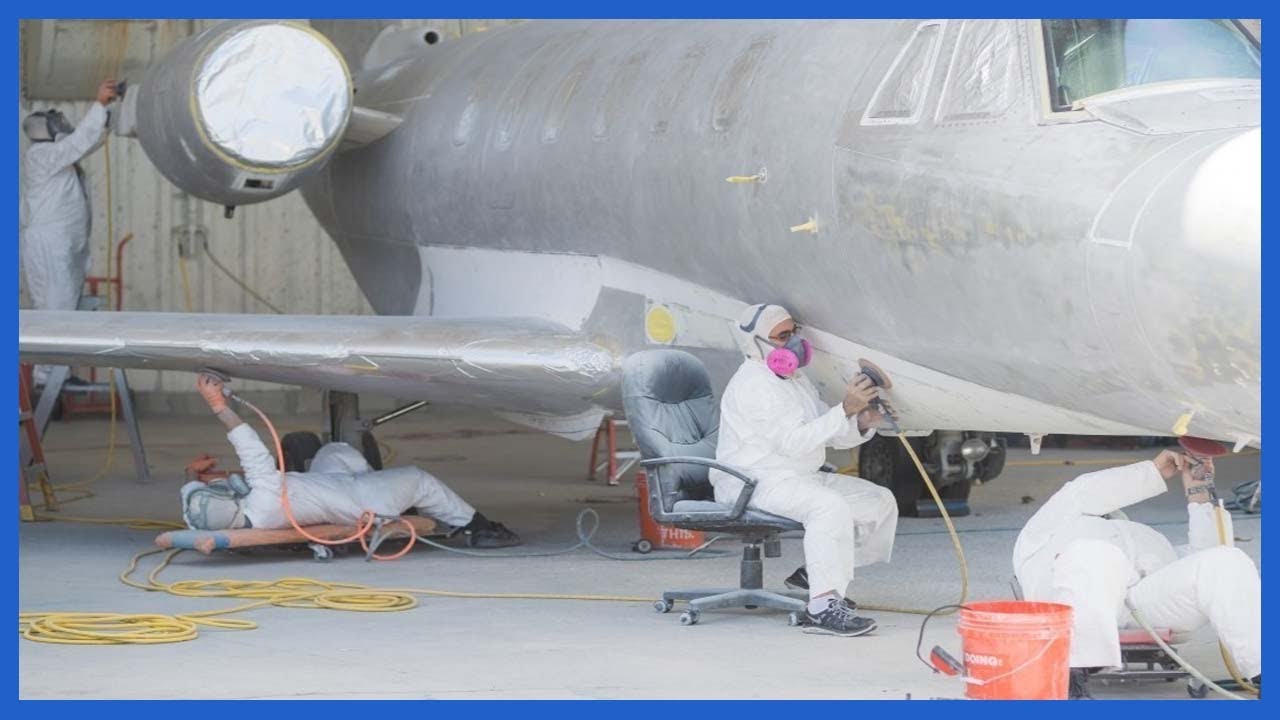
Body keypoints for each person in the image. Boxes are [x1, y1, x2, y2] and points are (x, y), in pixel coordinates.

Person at [711, 303, 898, 637]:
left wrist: (860, 421)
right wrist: (844, 408)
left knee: (879, 502)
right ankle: (822, 607)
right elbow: (795, 442)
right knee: (827, 508)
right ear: (757, 344)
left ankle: (815, 576)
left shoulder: (794, 379)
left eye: (794, 332)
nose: (794, 342)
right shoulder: (755, 385)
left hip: (797, 475)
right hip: (755, 481)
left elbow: (827, 431)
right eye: (782, 336)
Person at [1013, 449, 1261, 699]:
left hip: (1146, 605)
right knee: (1095, 553)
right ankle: (1073, 682)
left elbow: (1207, 560)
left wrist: (1199, 494)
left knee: (1226, 559)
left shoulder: (1145, 535)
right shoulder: (1045, 532)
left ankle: (1264, 672)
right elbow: (1081, 492)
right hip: (1078, 608)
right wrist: (1152, 471)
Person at [181, 373, 521, 548]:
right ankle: (475, 527)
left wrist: (191, 476)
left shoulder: (239, 512)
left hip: (330, 485)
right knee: (417, 478)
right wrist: (218, 406)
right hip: (359, 502)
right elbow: (250, 446)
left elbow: (193, 505)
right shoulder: (264, 497)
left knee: (335, 451)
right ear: (233, 501)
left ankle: (392, 491)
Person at [22, 79, 118, 386]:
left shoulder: (58, 157)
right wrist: (99, 105)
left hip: (63, 243)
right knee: (55, 307)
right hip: (50, 244)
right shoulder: (40, 156)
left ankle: (58, 373)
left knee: (63, 305)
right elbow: (78, 143)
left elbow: (85, 143)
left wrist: (107, 117)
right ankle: (48, 375)